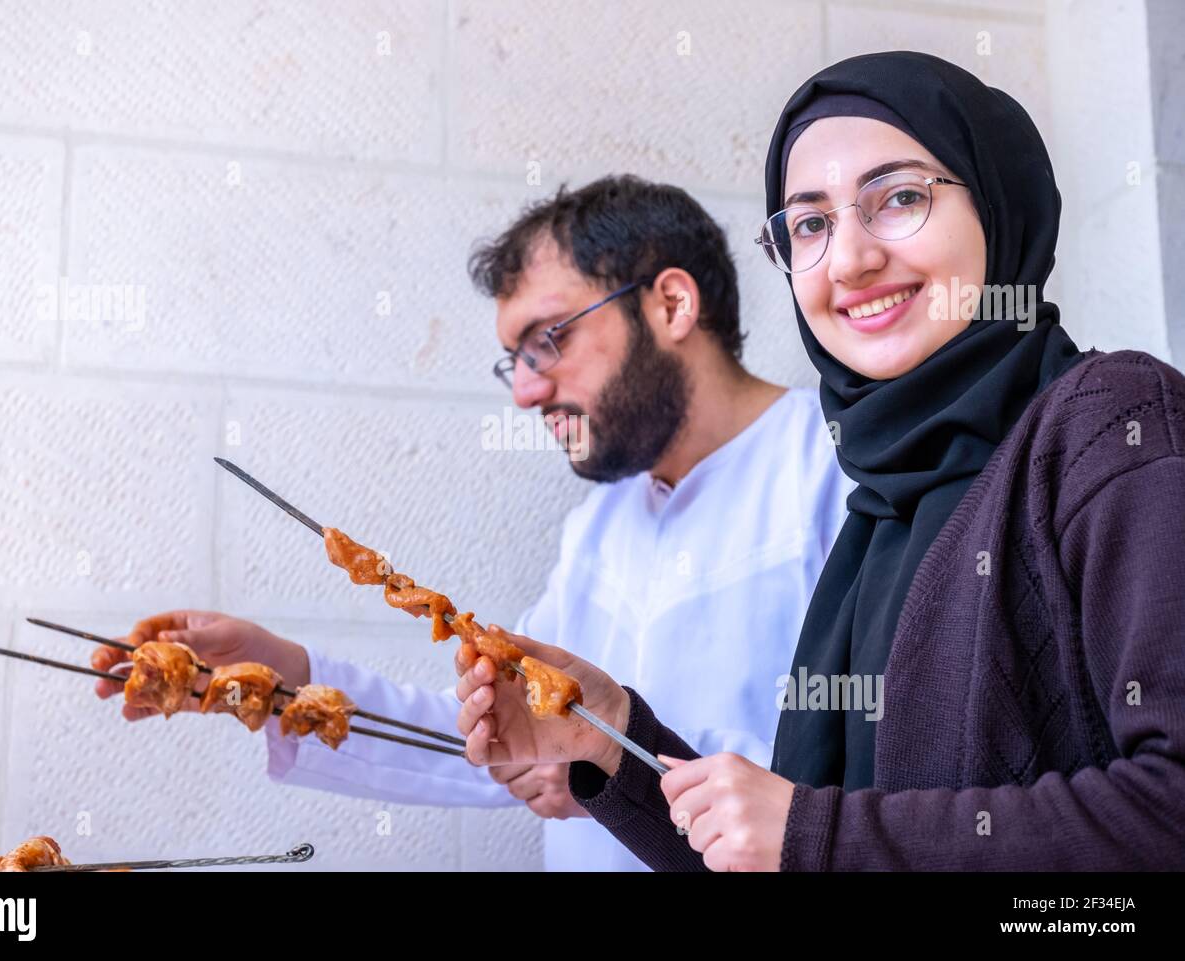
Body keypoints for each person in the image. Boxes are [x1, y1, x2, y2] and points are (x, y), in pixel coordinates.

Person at [453, 52, 1185, 871]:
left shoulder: (1110, 422)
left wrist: (817, 832)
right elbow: (787, 853)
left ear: (996, 200)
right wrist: (613, 739)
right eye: (810, 225)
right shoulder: (880, 505)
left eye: (899, 197)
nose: (849, 260)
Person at [92, 175, 853, 871]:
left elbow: (871, 785)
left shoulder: (837, 473)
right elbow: (495, 745)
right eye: (512, 359)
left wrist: (607, 760)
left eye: (549, 339)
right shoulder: (598, 526)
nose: (524, 392)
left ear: (672, 305)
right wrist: (284, 680)